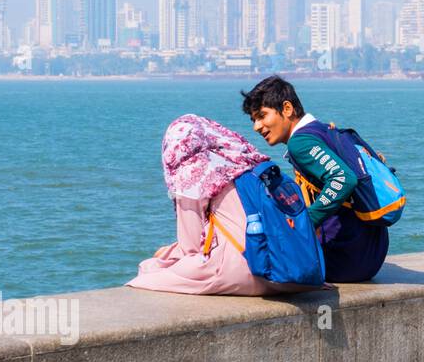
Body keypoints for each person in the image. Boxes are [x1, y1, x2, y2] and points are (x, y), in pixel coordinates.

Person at [129, 115, 316, 296]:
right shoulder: (246, 161)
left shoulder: (191, 173)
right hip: (294, 272)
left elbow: (191, 247)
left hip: (250, 273)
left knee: (150, 270)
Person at [241, 75, 389, 281]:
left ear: (287, 109)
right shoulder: (324, 130)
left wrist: (306, 222)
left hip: (344, 259)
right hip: (372, 255)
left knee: (256, 258)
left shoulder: (300, 143)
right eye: (253, 119)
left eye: (262, 116)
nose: (256, 127)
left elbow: (343, 179)